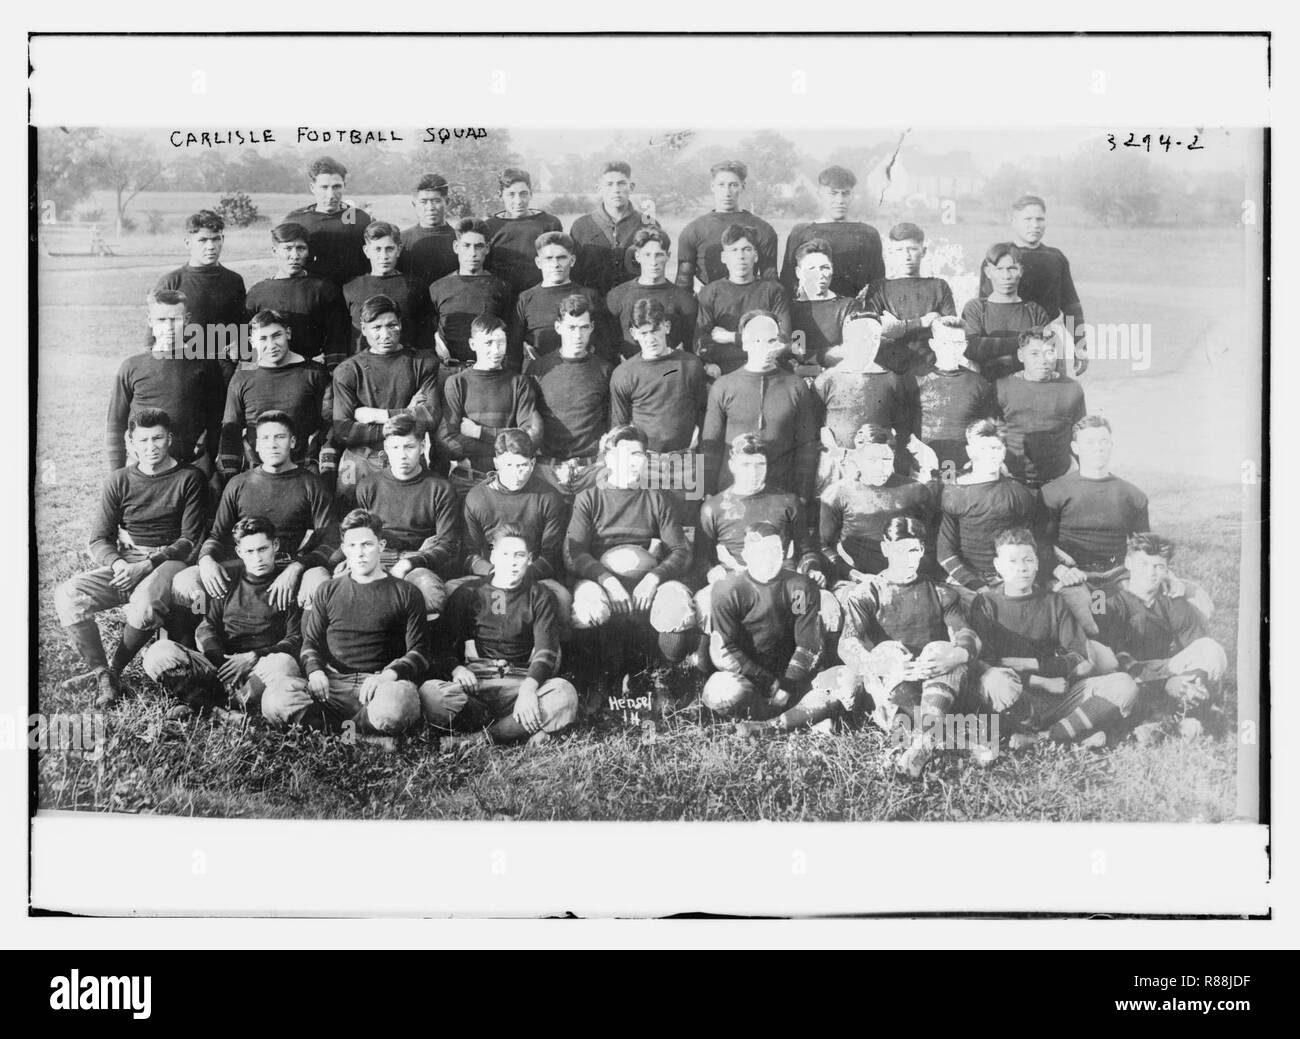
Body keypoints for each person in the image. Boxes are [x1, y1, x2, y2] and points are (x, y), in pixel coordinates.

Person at [55, 409, 206, 706]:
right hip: (128, 560)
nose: (151, 447)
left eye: (158, 438)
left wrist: (147, 565)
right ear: (131, 442)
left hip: (168, 561)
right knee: (69, 594)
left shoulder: (190, 477)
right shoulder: (119, 480)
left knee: (146, 604)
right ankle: (100, 672)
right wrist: (119, 563)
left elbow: (189, 540)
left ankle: (114, 671)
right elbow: (99, 538)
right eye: (144, 440)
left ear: (170, 439)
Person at [811, 517, 980, 778]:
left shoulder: (940, 591)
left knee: (941, 648)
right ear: (886, 549)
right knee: (889, 650)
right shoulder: (868, 591)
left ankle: (922, 744)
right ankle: (944, 738)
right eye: (900, 550)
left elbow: (964, 633)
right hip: (895, 685)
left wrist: (954, 656)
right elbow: (848, 643)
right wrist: (885, 664)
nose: (907, 557)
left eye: (913, 550)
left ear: (922, 551)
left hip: (935, 683)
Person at [1040, 415, 1214, 634]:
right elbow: (1041, 543)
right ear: (1075, 447)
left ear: (1111, 445)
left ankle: (1171, 648)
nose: (1098, 448)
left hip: (1120, 574)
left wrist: (1168, 574)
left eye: (1104, 442)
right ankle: (1113, 658)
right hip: (1081, 578)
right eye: (1090, 442)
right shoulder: (1054, 492)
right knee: (1098, 620)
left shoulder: (1132, 495)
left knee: (1198, 600)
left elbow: (1146, 546)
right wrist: (1060, 570)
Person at [967, 527, 1138, 749]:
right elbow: (985, 662)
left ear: (1037, 563)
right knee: (995, 681)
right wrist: (1042, 682)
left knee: (1124, 685)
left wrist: (1035, 664)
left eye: (1028, 560)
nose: (1021, 568)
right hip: (1017, 695)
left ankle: (1044, 738)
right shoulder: (986, 603)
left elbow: (1080, 657)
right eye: (1012, 562)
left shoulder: (1053, 601)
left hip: (1061, 693)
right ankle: (1066, 733)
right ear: (998, 566)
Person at [564, 425, 697, 711]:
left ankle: (660, 674)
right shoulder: (589, 498)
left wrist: (654, 577)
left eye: (639, 455)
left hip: (648, 581)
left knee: (677, 606)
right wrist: (607, 581)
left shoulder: (657, 498)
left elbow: (682, 551)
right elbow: (573, 553)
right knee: (588, 610)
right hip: (602, 579)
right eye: (627, 455)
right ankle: (599, 678)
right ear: (609, 458)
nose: (634, 462)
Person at [261, 509, 425, 738]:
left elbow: (419, 651)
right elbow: (310, 643)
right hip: (332, 684)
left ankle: (334, 730)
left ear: (382, 545)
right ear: (345, 548)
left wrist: (387, 676)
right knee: (276, 698)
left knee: (398, 705)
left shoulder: (406, 592)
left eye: (367, 544)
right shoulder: (328, 590)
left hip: (380, 685)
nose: (360, 553)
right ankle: (361, 731)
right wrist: (316, 672)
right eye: (353, 546)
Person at [419, 525, 578, 750]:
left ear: (529, 559)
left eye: (519, 555)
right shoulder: (468, 593)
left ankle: (478, 739)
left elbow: (547, 649)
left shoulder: (539, 595)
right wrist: (457, 669)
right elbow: (442, 644)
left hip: (518, 684)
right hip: (476, 687)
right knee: (431, 694)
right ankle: (517, 729)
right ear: (493, 556)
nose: (512, 562)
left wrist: (528, 689)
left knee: (564, 695)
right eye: (505, 554)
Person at [177, 410, 335, 623]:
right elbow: (217, 534)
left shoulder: (311, 484)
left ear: (293, 442)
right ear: (257, 445)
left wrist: (297, 567)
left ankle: (305, 648)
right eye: (265, 438)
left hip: (289, 565)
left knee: (319, 583)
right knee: (187, 581)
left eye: (280, 437)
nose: (272, 444)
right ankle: (200, 639)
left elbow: (330, 540)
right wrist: (206, 560)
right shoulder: (239, 484)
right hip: (245, 565)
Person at [694, 435, 834, 669]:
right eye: (746, 465)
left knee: (827, 602)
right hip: (735, 582)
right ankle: (707, 665)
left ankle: (814, 669)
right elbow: (701, 557)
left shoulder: (787, 502)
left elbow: (806, 549)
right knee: (706, 600)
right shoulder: (714, 507)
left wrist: (812, 568)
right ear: (732, 466)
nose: (754, 471)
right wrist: (711, 572)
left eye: (760, 464)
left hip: (782, 580)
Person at [141, 516, 302, 719]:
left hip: (258, 668)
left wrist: (253, 657)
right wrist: (220, 662)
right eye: (250, 551)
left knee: (285, 664)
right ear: (239, 552)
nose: (258, 558)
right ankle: (216, 710)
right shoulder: (228, 577)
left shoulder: (287, 584)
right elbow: (207, 625)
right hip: (221, 666)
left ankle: (201, 702)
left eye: (263, 549)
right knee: (158, 653)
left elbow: (294, 639)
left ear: (275, 546)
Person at [1094, 533, 1227, 742]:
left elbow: (1196, 645)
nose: (1150, 573)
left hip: (1166, 671)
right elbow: (1109, 655)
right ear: (1128, 563)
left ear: (1167, 570)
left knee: (1211, 649)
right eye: (1143, 564)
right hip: (1127, 676)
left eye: (1159, 566)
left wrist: (1186, 679)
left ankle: (1183, 710)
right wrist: (1165, 682)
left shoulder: (1173, 599)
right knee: (1106, 662)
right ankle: (1169, 716)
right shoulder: (1102, 596)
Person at [699, 522, 832, 728]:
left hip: (792, 675)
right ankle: (766, 713)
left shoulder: (799, 586)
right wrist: (770, 684)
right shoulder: (728, 589)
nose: (767, 558)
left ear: (785, 552)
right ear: (745, 554)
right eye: (760, 552)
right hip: (750, 677)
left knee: (836, 686)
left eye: (773, 550)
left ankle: (779, 717)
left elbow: (808, 643)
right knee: (721, 692)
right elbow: (725, 649)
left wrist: (788, 684)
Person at [107, 289, 225, 508]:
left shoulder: (205, 364)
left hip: (192, 461)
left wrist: (208, 456)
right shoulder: (132, 366)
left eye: (175, 320)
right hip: (143, 463)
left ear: (187, 320)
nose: (169, 327)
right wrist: (117, 472)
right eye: (162, 320)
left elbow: (217, 418)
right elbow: (115, 422)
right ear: (150, 321)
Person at [330, 295, 443, 505]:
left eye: (392, 325)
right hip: (362, 458)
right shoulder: (348, 370)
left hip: (405, 455)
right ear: (363, 329)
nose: (385, 334)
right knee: (352, 521)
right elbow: (343, 430)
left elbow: (430, 415)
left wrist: (377, 415)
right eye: (377, 327)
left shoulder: (422, 362)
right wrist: (407, 413)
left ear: (400, 324)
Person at [702, 311, 819, 508]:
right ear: (745, 344)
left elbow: (807, 446)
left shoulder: (796, 386)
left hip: (781, 493)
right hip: (732, 493)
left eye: (771, 340)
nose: (765, 348)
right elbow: (709, 446)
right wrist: (706, 492)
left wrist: (803, 494)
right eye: (757, 341)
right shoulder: (723, 386)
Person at [937, 419, 1048, 605]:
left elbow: (1030, 543)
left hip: (1007, 578)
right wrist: (978, 586)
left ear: (1004, 451)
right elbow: (944, 550)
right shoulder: (954, 492)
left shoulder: (1019, 492)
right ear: (970, 451)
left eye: (996, 448)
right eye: (982, 449)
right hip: (966, 581)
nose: (989, 455)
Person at [462, 430, 571, 615]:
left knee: (562, 599)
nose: (516, 473)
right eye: (509, 465)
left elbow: (551, 555)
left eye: (522, 465)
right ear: (496, 463)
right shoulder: (477, 498)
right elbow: (469, 554)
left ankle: (548, 644)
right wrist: (494, 574)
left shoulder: (548, 497)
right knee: (456, 593)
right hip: (491, 577)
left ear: (533, 463)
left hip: (534, 577)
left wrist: (519, 576)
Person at [978, 195, 1088, 374]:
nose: (1035, 225)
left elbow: (1071, 306)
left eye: (1039, 219)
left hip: (1047, 339)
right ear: (1013, 221)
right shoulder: (999, 257)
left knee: (1053, 393)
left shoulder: (1056, 258)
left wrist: (1080, 345)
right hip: (1008, 340)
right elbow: (984, 306)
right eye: (1027, 219)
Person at [820, 424, 939, 589]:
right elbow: (823, 546)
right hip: (859, 582)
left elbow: (934, 540)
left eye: (887, 460)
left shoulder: (917, 491)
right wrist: (855, 576)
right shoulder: (837, 493)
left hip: (910, 580)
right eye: (872, 460)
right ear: (858, 459)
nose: (881, 468)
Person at [218, 309, 331, 476]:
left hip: (304, 472)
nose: (271, 345)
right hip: (256, 474)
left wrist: (326, 470)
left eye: (276, 335)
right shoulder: (242, 377)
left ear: (288, 333)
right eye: (263, 338)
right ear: (252, 341)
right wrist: (230, 477)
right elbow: (230, 431)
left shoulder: (315, 373)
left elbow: (329, 426)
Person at [442, 314, 542, 497]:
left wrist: (479, 432)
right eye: (488, 343)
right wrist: (506, 446)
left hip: (509, 480)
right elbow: (448, 440)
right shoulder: (457, 383)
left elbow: (529, 437)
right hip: (468, 481)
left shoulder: (518, 383)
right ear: (473, 344)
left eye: (501, 343)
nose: (496, 350)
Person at [527, 295, 614, 499]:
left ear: (592, 327)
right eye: (571, 328)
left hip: (592, 471)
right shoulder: (538, 369)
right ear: (558, 327)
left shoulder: (605, 370)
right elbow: (528, 420)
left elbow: (612, 422)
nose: (578, 335)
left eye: (584, 327)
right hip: (549, 472)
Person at [153, 209, 246, 379]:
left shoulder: (234, 281)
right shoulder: (172, 281)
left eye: (216, 239)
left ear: (222, 240)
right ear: (188, 242)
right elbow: (153, 336)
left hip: (223, 371)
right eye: (202, 240)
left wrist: (238, 345)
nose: (210, 246)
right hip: (183, 370)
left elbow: (241, 327)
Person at [245, 222, 350, 372]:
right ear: (274, 251)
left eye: (300, 248)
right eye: (287, 248)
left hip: (312, 370)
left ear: (308, 251)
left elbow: (337, 335)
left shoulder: (322, 289)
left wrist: (333, 371)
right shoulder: (258, 292)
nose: (294, 256)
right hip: (271, 371)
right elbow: (248, 338)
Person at [854, 222, 956, 374]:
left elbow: (951, 330)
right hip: (890, 369)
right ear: (890, 253)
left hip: (931, 368)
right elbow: (873, 331)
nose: (906, 256)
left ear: (924, 251)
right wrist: (922, 322)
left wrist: (896, 327)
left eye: (912, 249)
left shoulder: (939, 286)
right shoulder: (879, 288)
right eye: (899, 250)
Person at [695, 223, 792, 376]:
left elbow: (783, 339)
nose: (740, 256)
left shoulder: (773, 291)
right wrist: (712, 364)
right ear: (723, 257)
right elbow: (702, 341)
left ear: (756, 255)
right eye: (734, 250)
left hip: (766, 366)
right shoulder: (710, 292)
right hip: (723, 369)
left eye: (747, 249)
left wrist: (732, 337)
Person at [996, 329, 1087, 488]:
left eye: (1049, 352)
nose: (1043, 360)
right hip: (1014, 481)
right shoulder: (1002, 387)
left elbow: (1081, 436)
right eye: (1034, 354)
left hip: (1060, 481)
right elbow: (990, 435)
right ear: (1021, 355)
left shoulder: (1072, 389)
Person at [779, 165, 884, 299]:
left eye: (845, 193)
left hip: (855, 309)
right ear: (819, 194)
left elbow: (878, 282)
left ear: (852, 195)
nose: (840, 201)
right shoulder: (801, 232)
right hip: (812, 309)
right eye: (833, 193)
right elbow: (788, 280)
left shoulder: (868, 234)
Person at [426, 217, 514, 371]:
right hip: (448, 370)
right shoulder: (438, 287)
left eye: (478, 246)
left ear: (487, 248)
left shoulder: (501, 287)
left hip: (487, 371)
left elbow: (509, 333)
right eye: (466, 246)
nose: (472, 253)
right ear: (456, 247)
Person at [513, 231, 615, 364]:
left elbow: (605, 345)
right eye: (548, 258)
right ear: (538, 262)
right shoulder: (526, 299)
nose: (555, 264)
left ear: (572, 260)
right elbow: (514, 347)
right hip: (540, 375)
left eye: (561, 257)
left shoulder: (589, 296)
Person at [675, 160, 779, 288]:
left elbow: (770, 279)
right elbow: (683, 282)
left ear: (743, 186)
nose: (727, 192)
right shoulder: (694, 230)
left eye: (733, 185)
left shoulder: (762, 229)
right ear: (712, 186)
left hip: (750, 301)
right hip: (708, 303)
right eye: (721, 185)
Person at [914, 320, 997, 475]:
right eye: (945, 343)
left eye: (958, 343)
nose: (952, 349)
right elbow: (902, 427)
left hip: (963, 466)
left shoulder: (979, 383)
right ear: (933, 344)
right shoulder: (915, 379)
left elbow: (986, 428)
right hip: (921, 463)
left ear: (965, 345)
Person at [962, 243, 1054, 381]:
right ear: (988, 272)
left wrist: (989, 345)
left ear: (1021, 271)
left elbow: (1045, 351)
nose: (1006, 276)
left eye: (1012, 268)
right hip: (986, 384)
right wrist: (1024, 343)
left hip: (1025, 387)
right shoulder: (976, 308)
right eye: (999, 269)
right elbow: (971, 348)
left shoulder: (1035, 312)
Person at [604, 228, 698, 358]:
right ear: (637, 256)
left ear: (668, 256)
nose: (653, 262)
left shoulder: (684, 299)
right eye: (647, 255)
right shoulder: (617, 296)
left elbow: (689, 347)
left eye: (659, 255)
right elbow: (609, 346)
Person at [569, 160, 658, 296]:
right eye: (609, 184)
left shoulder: (648, 224)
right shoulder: (581, 226)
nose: (616, 190)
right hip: (594, 307)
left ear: (631, 187)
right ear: (598, 188)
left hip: (636, 305)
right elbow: (574, 275)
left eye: (621, 183)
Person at [280, 156, 373, 286]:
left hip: (350, 294)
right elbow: (285, 263)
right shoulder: (296, 220)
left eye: (336, 187)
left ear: (344, 186)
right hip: (310, 293)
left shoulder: (359, 218)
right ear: (312, 188)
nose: (331, 195)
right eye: (324, 187)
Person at [343, 221, 429, 354]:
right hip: (363, 365)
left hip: (406, 362)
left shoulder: (414, 286)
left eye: (389, 249)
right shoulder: (351, 287)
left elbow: (425, 333)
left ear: (398, 249)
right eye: (377, 249)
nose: (383, 256)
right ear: (367, 251)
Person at [484, 168, 563, 296]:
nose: (518, 201)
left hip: (540, 297)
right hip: (502, 298)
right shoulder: (490, 226)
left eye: (523, 194)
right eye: (511, 194)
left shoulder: (549, 223)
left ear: (531, 193)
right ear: (500, 195)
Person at [789, 239, 853, 371]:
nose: (820, 275)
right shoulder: (791, 309)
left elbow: (852, 351)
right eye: (812, 268)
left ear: (832, 270)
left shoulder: (847, 307)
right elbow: (797, 354)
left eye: (825, 268)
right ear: (799, 273)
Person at [399, 172, 459, 288]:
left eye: (436, 201)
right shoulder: (401, 240)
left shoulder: (460, 240)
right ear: (414, 204)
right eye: (423, 202)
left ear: (447, 202)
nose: (430, 208)